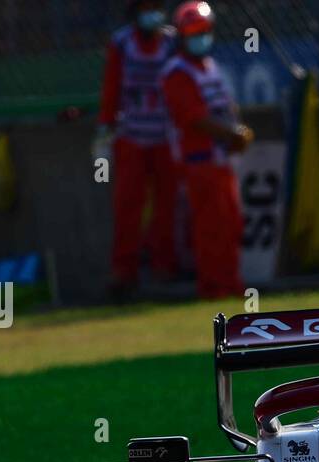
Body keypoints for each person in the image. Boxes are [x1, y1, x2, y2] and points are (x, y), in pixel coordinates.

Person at [161, 1, 253, 300]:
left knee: (230, 223)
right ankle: (214, 287)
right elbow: (193, 117)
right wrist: (232, 133)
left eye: (203, 30)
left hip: (221, 160)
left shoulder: (209, 66)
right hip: (199, 161)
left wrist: (235, 130)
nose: (199, 36)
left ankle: (230, 281)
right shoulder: (177, 72)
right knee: (211, 227)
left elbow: (225, 106)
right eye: (192, 31)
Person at [98, 0, 177, 298]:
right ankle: (124, 271)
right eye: (146, 7)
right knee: (128, 204)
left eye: (157, 7)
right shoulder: (121, 43)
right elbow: (111, 88)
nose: (152, 13)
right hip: (130, 137)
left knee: (166, 205)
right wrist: (105, 130)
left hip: (165, 137)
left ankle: (164, 266)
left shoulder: (171, 41)